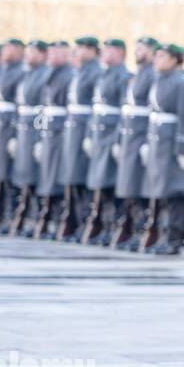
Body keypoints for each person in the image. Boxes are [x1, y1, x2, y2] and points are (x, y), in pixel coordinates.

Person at [141, 43, 184, 255]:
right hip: (159, 144)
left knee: (175, 194)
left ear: (174, 60)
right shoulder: (160, 79)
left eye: (162, 56)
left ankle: (174, 237)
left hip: (173, 146)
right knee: (161, 194)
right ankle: (164, 235)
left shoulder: (182, 83)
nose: (157, 59)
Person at [79, 39, 132, 245]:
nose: (104, 53)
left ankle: (113, 227)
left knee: (110, 186)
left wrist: (118, 139)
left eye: (108, 49)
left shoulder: (123, 76)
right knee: (100, 185)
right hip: (99, 136)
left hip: (111, 137)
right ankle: (103, 226)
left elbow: (124, 112)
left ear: (119, 52)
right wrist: (88, 135)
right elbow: (96, 108)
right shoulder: (104, 74)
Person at [111, 36, 159, 250]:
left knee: (140, 188)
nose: (138, 52)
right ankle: (133, 229)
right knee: (129, 187)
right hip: (130, 136)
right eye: (137, 48)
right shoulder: (137, 74)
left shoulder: (152, 75)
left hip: (142, 137)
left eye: (143, 49)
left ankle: (141, 230)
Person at [56, 36, 103, 241]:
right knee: (72, 179)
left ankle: (85, 222)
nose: (80, 52)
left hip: (85, 129)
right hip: (73, 129)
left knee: (83, 181)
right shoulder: (82, 71)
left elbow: (96, 107)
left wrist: (89, 135)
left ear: (93, 51)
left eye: (84, 48)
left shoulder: (95, 72)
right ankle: (76, 222)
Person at [31, 40, 75, 239]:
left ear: (66, 54)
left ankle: (58, 220)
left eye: (55, 53)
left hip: (60, 132)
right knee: (47, 177)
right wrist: (39, 133)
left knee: (57, 178)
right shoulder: (50, 74)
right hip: (49, 131)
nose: (50, 57)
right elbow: (43, 106)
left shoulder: (68, 75)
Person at [4, 40, 48, 236]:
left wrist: (41, 135)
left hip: (33, 132)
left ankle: (34, 217)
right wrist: (14, 133)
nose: (28, 56)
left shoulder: (44, 75)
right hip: (22, 130)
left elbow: (42, 108)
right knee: (22, 176)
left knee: (33, 177)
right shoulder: (27, 74)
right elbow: (18, 106)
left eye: (31, 52)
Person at [0, 39, 27, 231]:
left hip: (13, 128)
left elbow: (22, 106)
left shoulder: (21, 72)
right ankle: (0, 213)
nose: (6, 52)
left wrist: (14, 132)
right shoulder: (6, 70)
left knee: (10, 174)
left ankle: (10, 215)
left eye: (10, 49)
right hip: (0, 127)